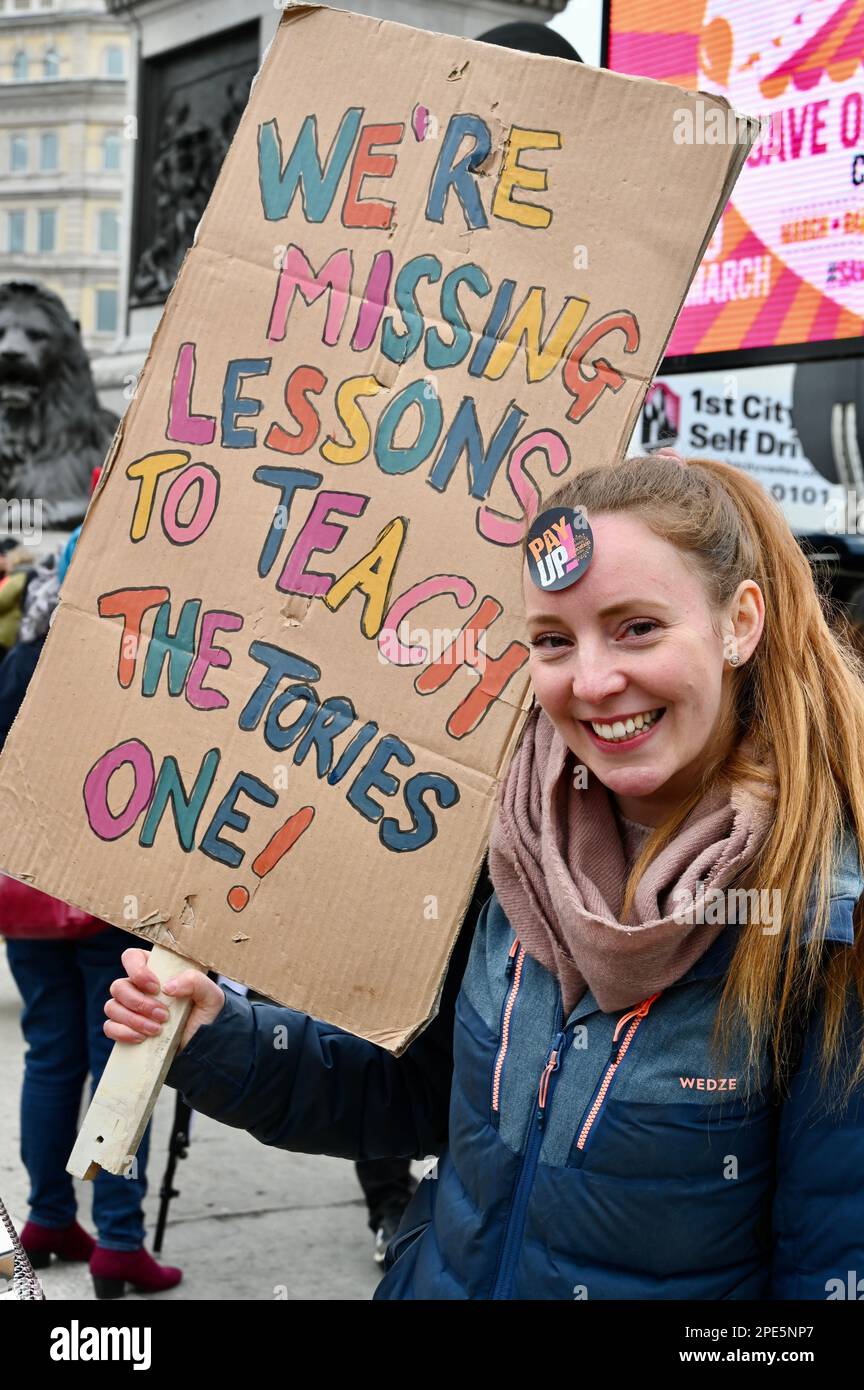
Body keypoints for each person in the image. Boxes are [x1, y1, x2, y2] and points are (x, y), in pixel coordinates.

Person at [105, 452, 864, 1300]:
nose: (593, 680)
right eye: (552, 640)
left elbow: (832, 1265)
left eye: (637, 627)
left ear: (739, 623)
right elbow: (417, 1094)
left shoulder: (826, 921)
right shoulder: (502, 846)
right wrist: (218, 1038)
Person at [1, 522, 181, 1300]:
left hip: (27, 897)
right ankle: (117, 1240)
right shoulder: (137, 664)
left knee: (49, 1055)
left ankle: (45, 1219)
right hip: (114, 899)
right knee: (123, 1065)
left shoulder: (19, 661)